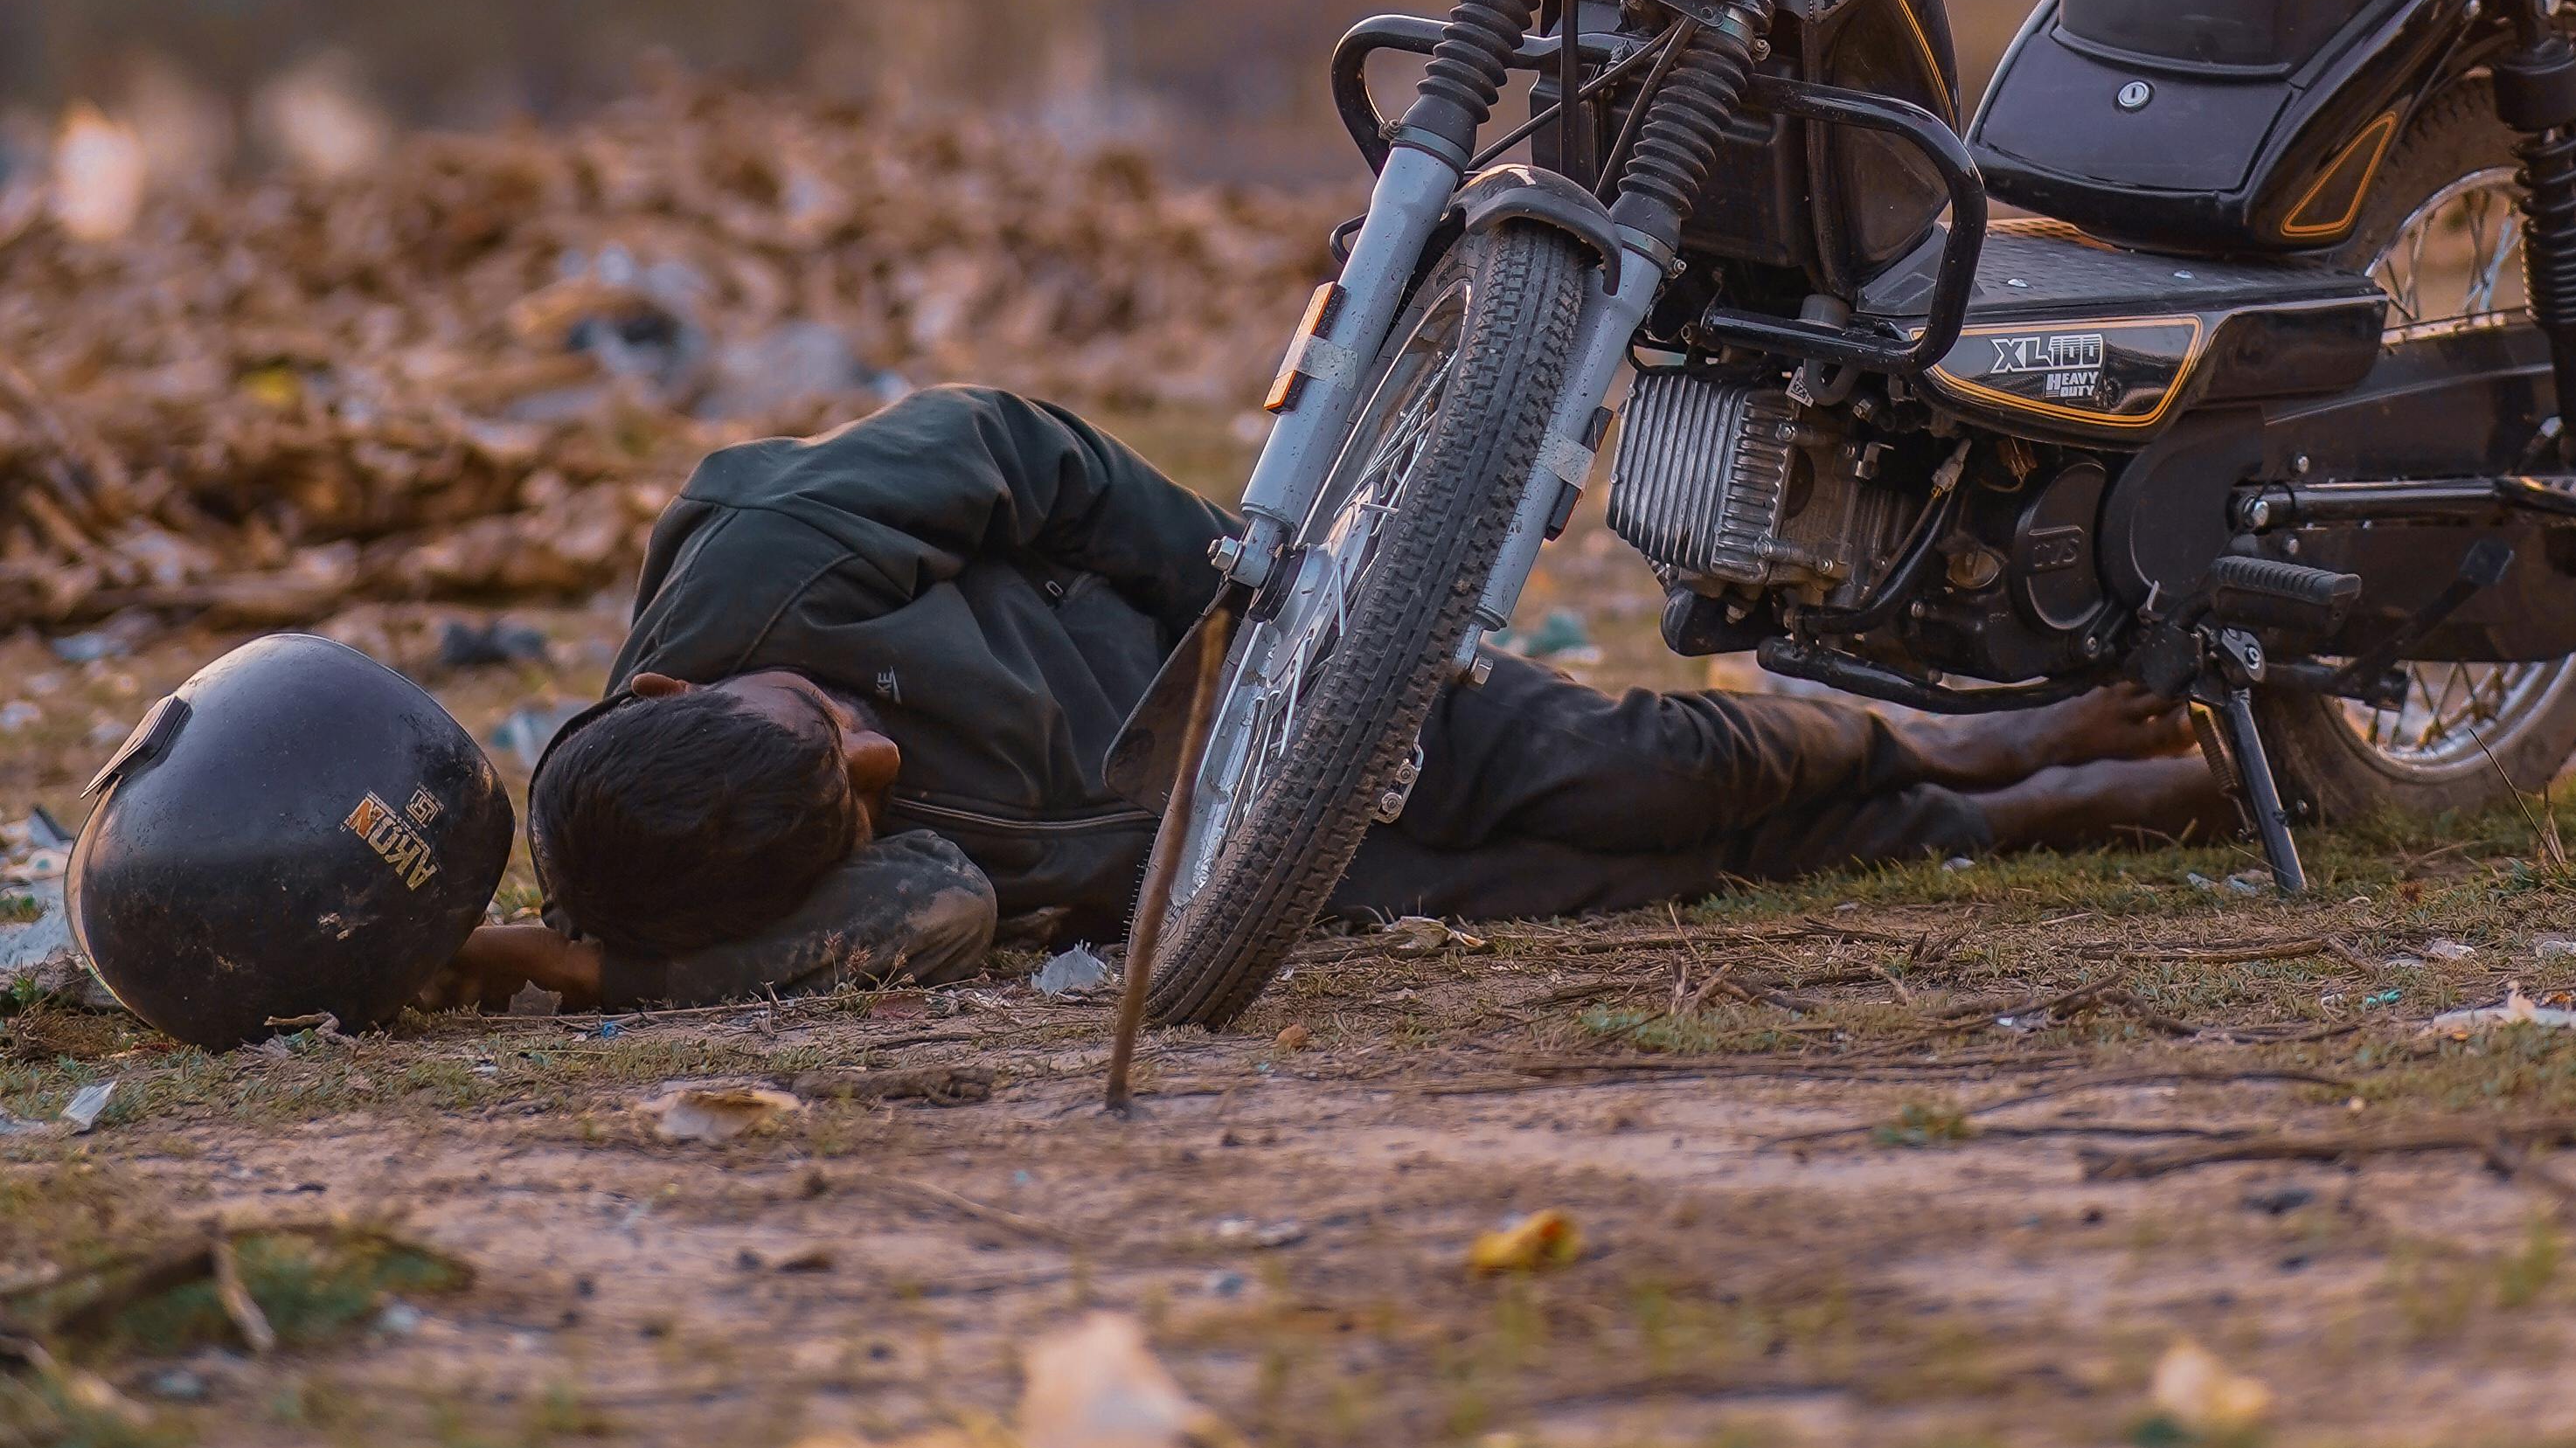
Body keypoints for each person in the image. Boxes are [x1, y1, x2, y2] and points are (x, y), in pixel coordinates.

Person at [450, 382, 2214, 1012]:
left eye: (822, 729)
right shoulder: (745, 856)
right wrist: (540, 965)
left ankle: (1945, 735)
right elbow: (912, 911)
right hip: (1231, 859)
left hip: (1267, 661)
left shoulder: (762, 559)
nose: (878, 752)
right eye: (851, 792)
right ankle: (1989, 816)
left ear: (682, 677)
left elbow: (1016, 448)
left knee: (1648, 765)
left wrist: (1260, 601)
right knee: (1614, 874)